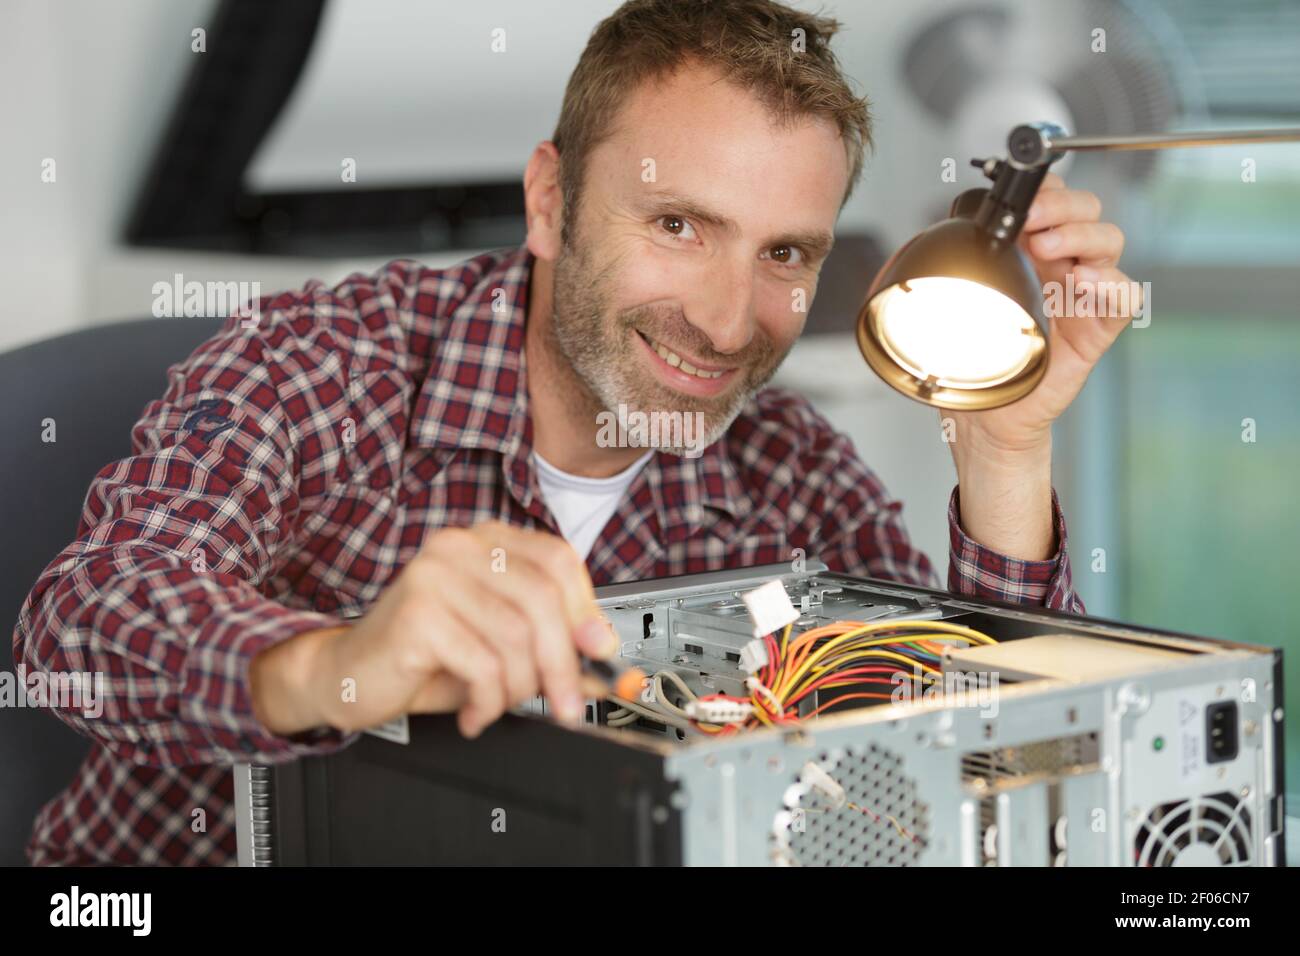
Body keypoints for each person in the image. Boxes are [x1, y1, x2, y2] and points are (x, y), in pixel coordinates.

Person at [13, 0, 1136, 865]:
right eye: (678, 223)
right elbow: (78, 631)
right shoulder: (325, 362)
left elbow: (988, 765)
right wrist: (340, 665)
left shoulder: (787, 463)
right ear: (550, 202)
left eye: (783, 252)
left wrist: (1003, 452)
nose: (723, 317)